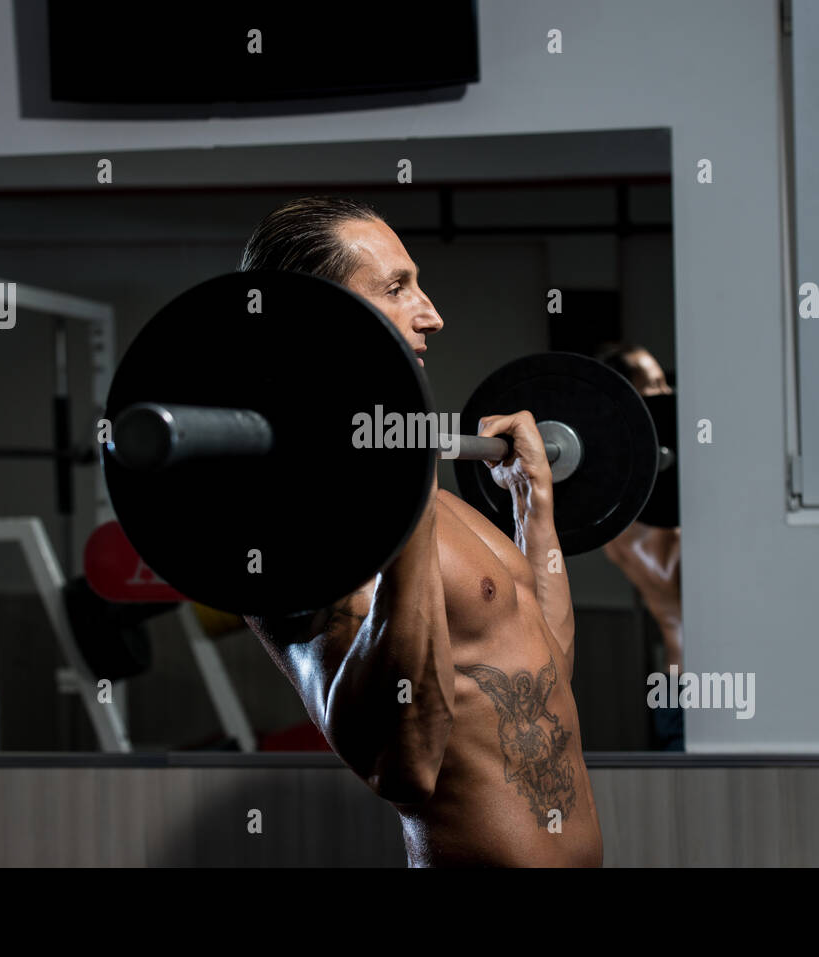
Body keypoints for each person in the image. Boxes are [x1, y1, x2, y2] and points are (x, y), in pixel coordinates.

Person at [239, 196, 603, 866]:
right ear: (321, 318)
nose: (431, 312)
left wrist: (534, 511)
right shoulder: (300, 522)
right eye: (397, 288)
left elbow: (547, 679)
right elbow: (401, 764)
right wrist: (402, 488)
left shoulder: (443, 503)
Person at [596, 344, 684, 751]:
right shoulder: (628, 511)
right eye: (653, 385)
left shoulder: (666, 489)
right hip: (687, 684)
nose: (667, 393)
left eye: (665, 381)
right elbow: (673, 577)